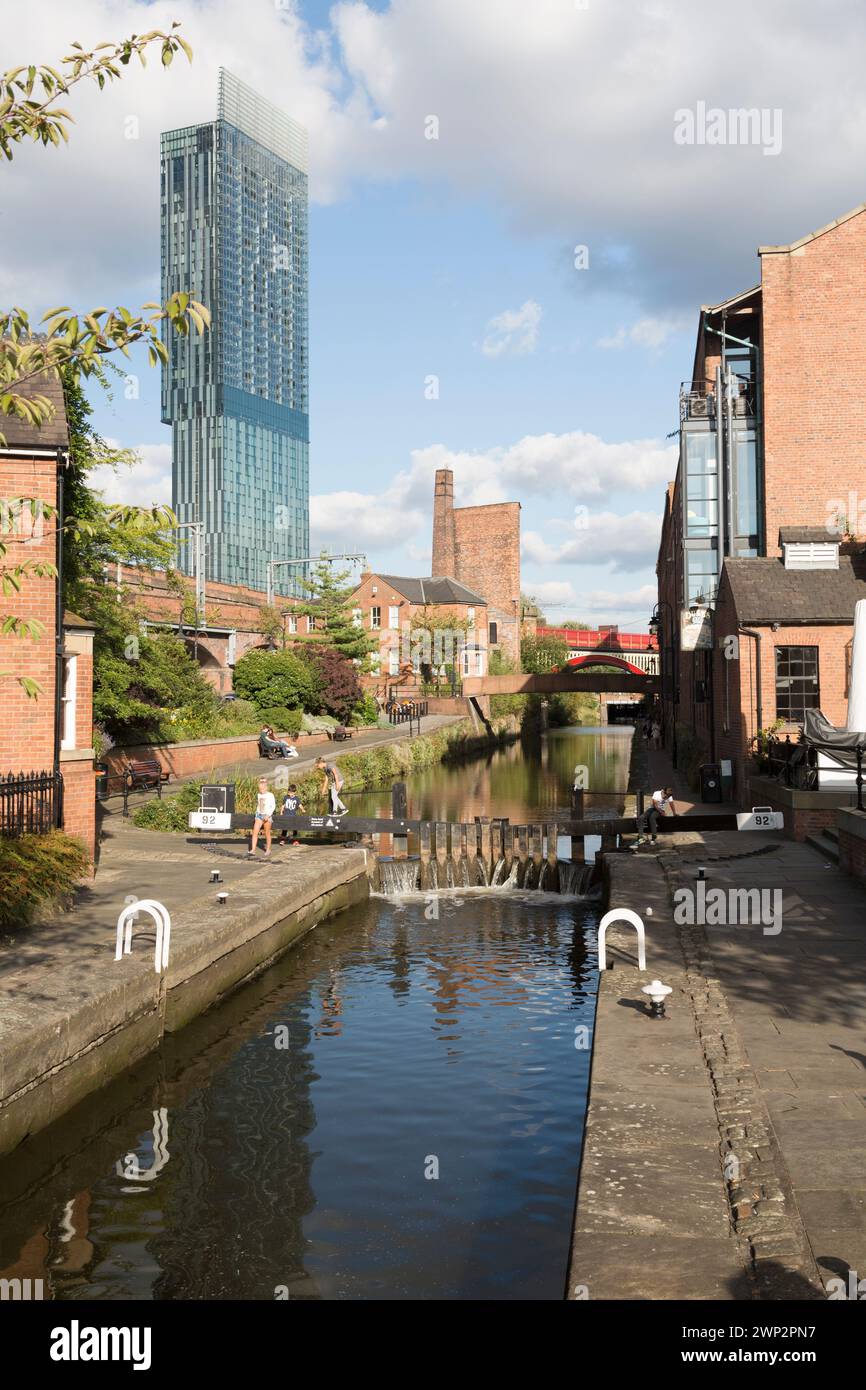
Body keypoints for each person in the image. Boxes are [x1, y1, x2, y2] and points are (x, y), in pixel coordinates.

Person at [249, 777, 276, 857]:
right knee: (255, 832)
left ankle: (268, 849)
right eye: (260, 789)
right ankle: (253, 850)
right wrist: (256, 813)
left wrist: (268, 815)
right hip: (259, 815)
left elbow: (273, 806)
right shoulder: (258, 795)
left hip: (267, 815)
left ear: (266, 787)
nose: (261, 791)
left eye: (262, 789)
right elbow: (259, 805)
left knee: (267, 833)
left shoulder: (270, 795)